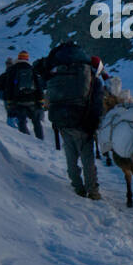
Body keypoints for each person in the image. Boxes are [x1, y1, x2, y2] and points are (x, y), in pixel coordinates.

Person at [43, 40, 103, 199]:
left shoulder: (59, 73)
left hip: (62, 123)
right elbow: (97, 104)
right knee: (87, 159)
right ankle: (93, 191)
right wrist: (95, 124)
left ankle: (77, 187)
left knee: (70, 156)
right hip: (83, 124)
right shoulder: (91, 78)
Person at [0, 51, 45, 139]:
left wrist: (9, 101)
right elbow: (39, 87)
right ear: (27, 59)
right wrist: (41, 101)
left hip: (18, 102)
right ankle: (40, 139)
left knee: (22, 122)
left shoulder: (12, 70)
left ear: (18, 58)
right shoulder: (32, 69)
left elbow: (7, 87)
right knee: (37, 122)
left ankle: (27, 140)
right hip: (33, 102)